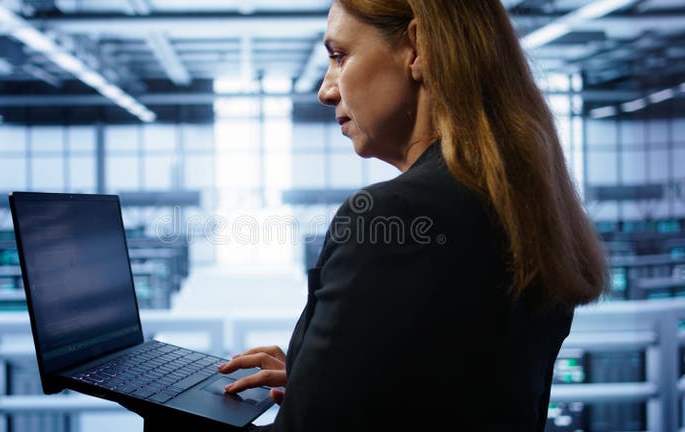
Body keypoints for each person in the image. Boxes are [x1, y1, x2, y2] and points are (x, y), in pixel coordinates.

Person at [146, 0, 608, 430]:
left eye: (340, 55)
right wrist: (322, 381)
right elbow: (455, 386)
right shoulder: (527, 209)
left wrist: (167, 408)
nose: (327, 90)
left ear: (418, 48)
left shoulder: (390, 217)